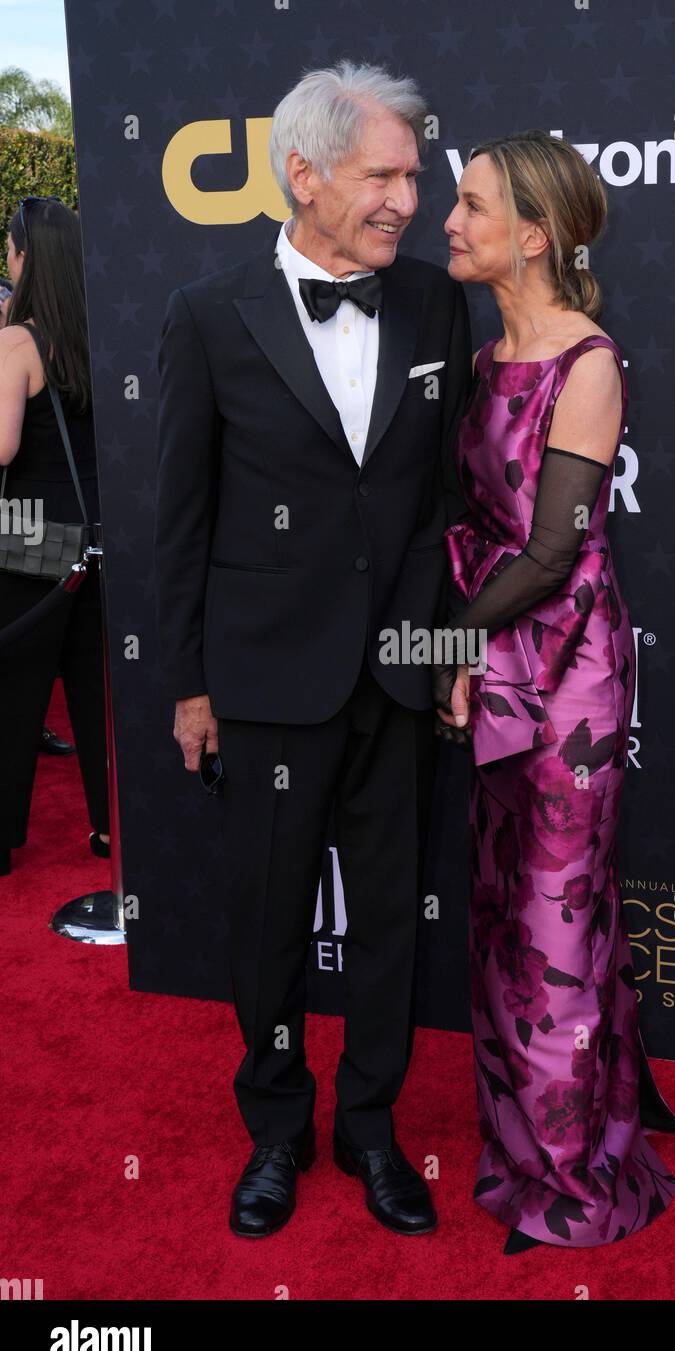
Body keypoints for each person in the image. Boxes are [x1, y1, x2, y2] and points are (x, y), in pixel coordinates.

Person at [155, 61, 472, 1239]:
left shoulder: (437, 305)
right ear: (303, 174)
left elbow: (443, 499)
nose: (408, 197)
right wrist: (188, 682)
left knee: (391, 919)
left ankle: (373, 1130)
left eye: (413, 173)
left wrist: (440, 649)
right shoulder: (206, 313)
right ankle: (276, 1131)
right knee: (270, 919)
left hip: (395, 676)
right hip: (265, 681)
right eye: (382, 174)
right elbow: (180, 517)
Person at [435, 130, 675, 1253]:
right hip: (498, 659)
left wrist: (443, 639)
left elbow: (551, 552)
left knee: (551, 921)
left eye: (473, 207)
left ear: (531, 236)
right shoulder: (486, 358)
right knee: (504, 910)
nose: (450, 222)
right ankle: (543, 1129)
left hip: (566, 665)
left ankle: (571, 1177)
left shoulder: (587, 364)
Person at [0, 197, 109, 878]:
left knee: (13, 690)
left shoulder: (18, 342)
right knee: (98, 692)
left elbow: (2, 446)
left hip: (26, 531)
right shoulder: (103, 335)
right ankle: (110, 827)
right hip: (100, 532)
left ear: (27, 257)